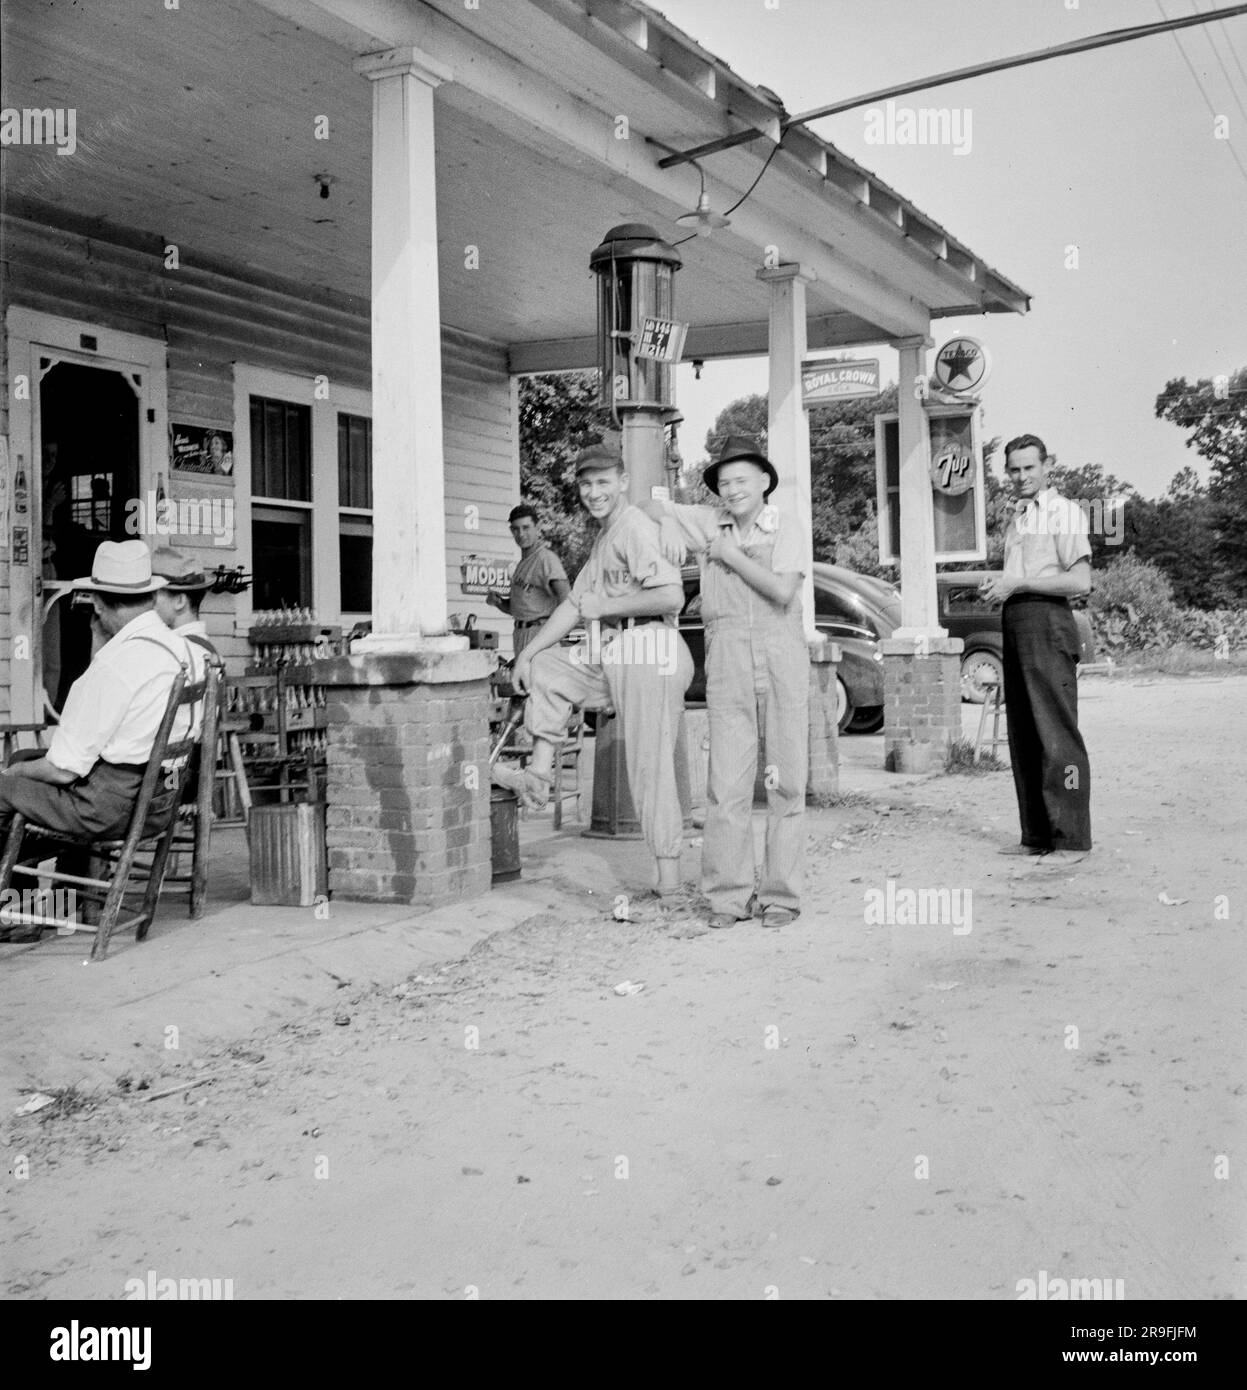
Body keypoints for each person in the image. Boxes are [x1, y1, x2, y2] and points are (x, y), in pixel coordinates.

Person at [495, 435, 693, 896]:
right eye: (586, 484)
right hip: (618, 652)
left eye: (603, 481)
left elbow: (671, 595)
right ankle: (539, 777)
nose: (593, 492)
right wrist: (527, 654)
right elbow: (573, 607)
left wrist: (608, 603)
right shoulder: (606, 536)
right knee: (547, 668)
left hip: (651, 648)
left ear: (622, 481)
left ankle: (669, 883)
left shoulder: (636, 526)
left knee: (649, 765)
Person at [642, 435, 808, 929]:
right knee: (727, 784)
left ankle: (780, 897)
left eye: (742, 479)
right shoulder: (708, 520)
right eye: (724, 481)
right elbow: (648, 507)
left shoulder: (787, 524)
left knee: (785, 781)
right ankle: (727, 897)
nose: (733, 489)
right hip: (728, 655)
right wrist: (668, 527)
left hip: (780, 653)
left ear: (763, 481)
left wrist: (727, 555)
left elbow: (781, 590)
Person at [0, 543, 204, 934]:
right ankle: (59, 900)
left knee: (9, 784)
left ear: (98, 603)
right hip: (159, 800)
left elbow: (63, 769)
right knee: (27, 764)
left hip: (110, 808)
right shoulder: (185, 650)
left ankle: (14, 913)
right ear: (149, 595)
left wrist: (15, 772)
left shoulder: (112, 667)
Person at [980, 434, 1092, 862]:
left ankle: (1071, 838)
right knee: (1025, 735)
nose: (1022, 476)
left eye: (1030, 467)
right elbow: (1019, 576)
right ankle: (1037, 835)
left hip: (1049, 621)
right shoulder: (1018, 517)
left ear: (1046, 467)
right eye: (1014, 469)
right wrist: (1003, 586)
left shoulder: (1063, 512)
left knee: (1058, 735)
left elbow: (1079, 582)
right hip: (1017, 620)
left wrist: (1019, 583)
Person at [485, 504, 570, 656]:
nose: (521, 534)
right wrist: (498, 602)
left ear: (537, 527)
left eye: (526, 527)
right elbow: (520, 609)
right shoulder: (521, 565)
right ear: (511, 531)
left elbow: (567, 600)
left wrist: (560, 636)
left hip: (541, 635)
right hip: (521, 635)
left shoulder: (546, 559)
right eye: (516, 529)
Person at [152, 545, 220, 661]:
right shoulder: (200, 649)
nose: (147, 603)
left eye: (153, 595)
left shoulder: (178, 653)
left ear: (180, 601)